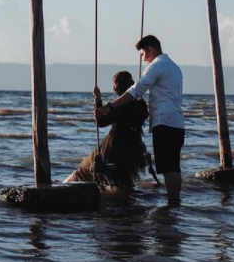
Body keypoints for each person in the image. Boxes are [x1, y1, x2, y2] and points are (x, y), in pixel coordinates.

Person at [94, 35, 184, 202]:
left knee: (168, 169)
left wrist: (109, 106)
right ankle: (176, 204)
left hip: (163, 123)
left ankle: (172, 207)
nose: (143, 58)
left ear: (150, 50)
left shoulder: (156, 67)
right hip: (178, 123)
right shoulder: (174, 67)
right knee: (175, 168)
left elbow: (136, 90)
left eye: (143, 54)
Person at [66, 71, 150, 189]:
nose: (113, 88)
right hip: (133, 144)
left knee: (83, 170)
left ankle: (65, 185)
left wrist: (98, 99)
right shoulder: (141, 104)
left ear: (119, 86)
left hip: (114, 146)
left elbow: (100, 122)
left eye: (114, 84)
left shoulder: (120, 105)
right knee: (122, 178)